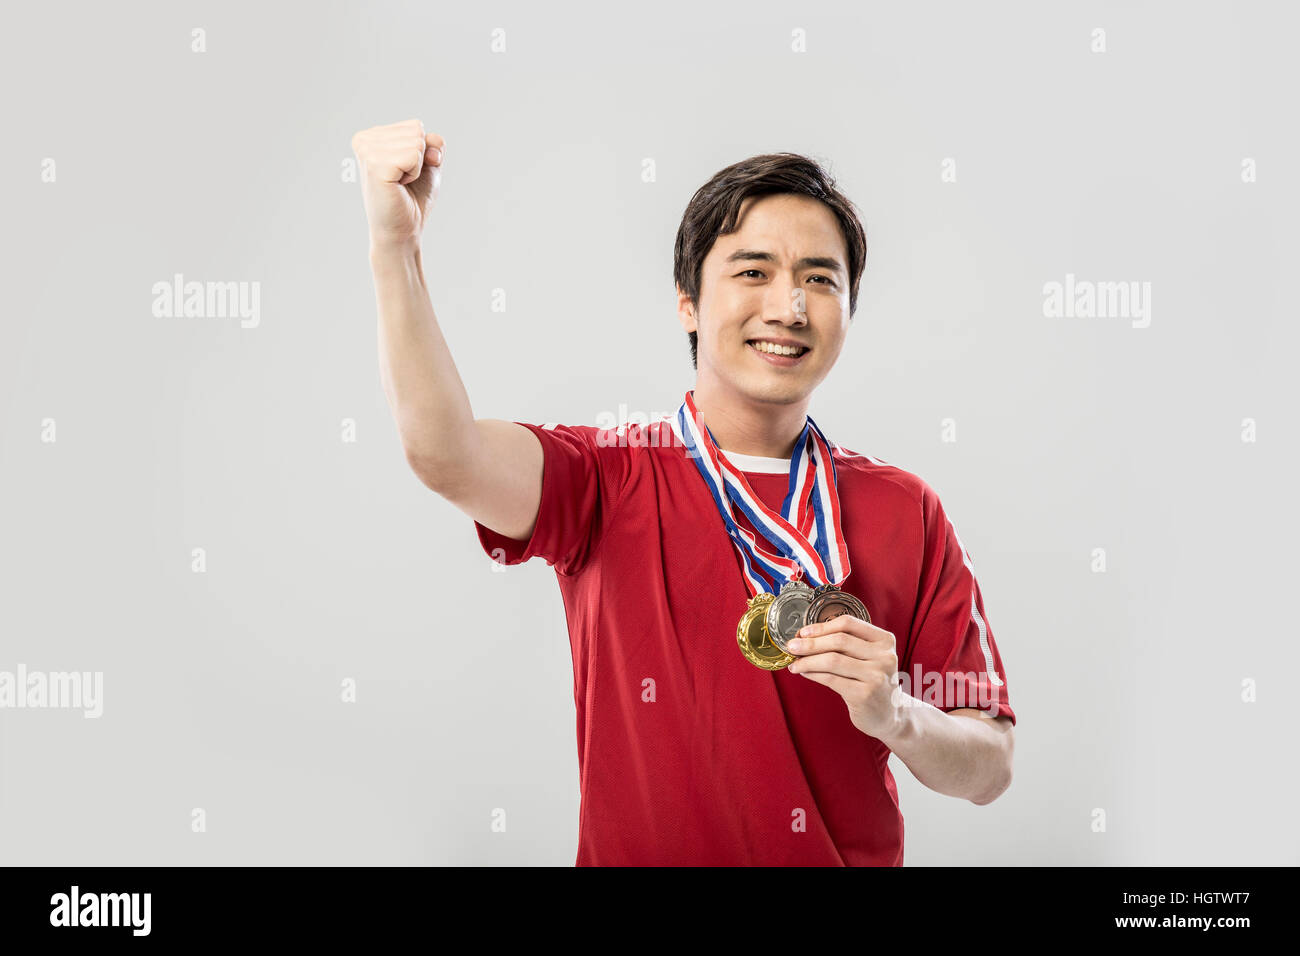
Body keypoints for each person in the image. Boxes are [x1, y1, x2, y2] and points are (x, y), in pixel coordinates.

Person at [352, 118, 1016, 866]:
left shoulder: (905, 509)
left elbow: (991, 763)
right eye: (753, 271)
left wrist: (898, 716)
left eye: (819, 279)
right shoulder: (607, 474)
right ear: (688, 303)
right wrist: (395, 249)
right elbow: (446, 452)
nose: (789, 307)